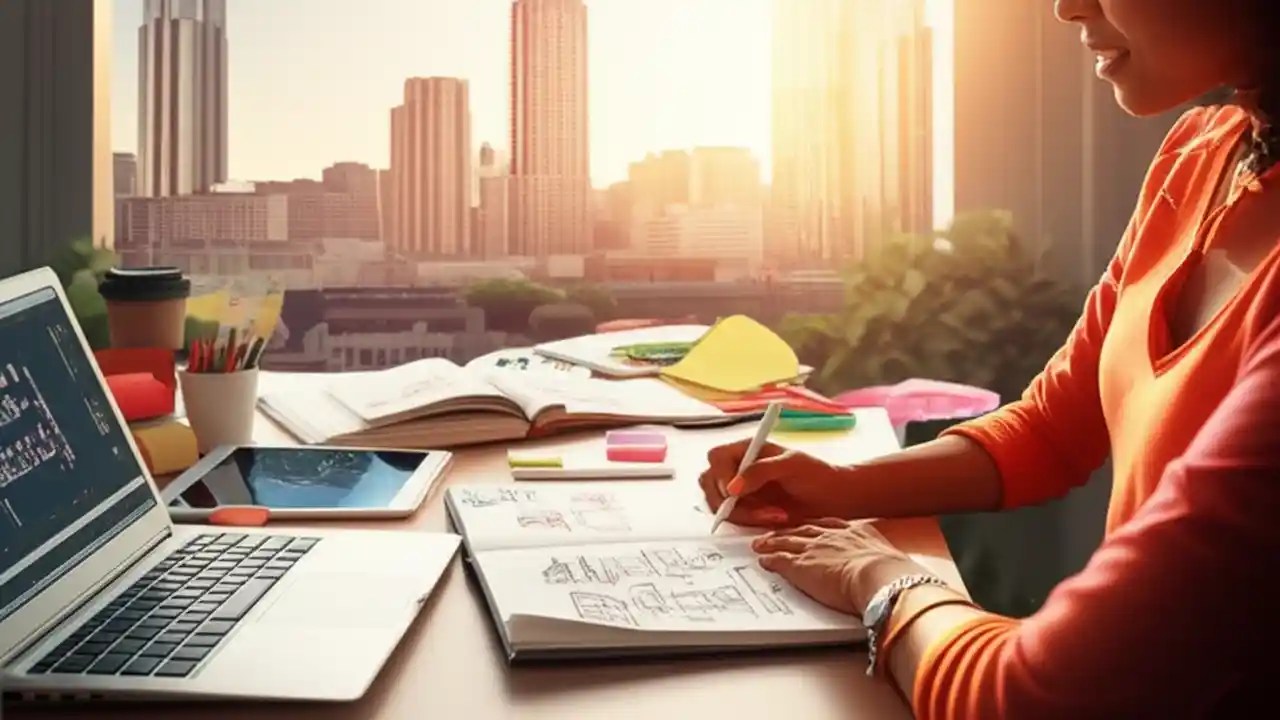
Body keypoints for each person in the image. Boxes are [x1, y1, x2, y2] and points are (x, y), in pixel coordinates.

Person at [700, 1, 1280, 717]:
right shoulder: (1202, 153)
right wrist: (840, 487)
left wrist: (880, 577)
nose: (1068, 7)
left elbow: (1032, 697)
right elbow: (1050, 430)